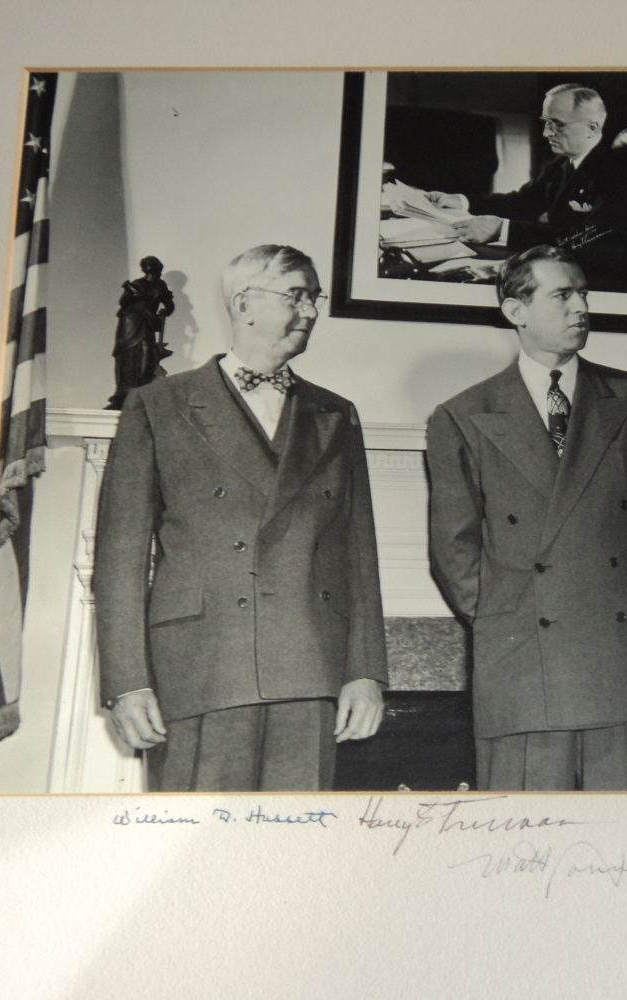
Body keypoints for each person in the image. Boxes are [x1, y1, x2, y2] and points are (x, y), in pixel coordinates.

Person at [93, 244, 387, 792]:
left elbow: (358, 554)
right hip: (202, 664)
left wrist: (364, 672)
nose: (313, 311)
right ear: (245, 303)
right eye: (297, 295)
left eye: (315, 298)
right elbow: (119, 559)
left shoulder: (335, 413)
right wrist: (127, 682)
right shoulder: (160, 405)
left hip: (309, 664)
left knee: (292, 848)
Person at [426, 245, 627, 791]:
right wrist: (509, 614)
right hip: (525, 661)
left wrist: (623, 594)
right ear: (515, 311)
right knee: (525, 840)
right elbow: (454, 546)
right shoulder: (462, 414)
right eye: (562, 295)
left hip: (624, 655)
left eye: (584, 293)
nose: (581, 307)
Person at [425, 84, 627, 292]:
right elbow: (523, 201)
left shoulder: (616, 172)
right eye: (546, 122)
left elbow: (588, 241)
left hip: (608, 280)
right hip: (568, 265)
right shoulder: (563, 164)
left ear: (592, 127)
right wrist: (462, 201)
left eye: (558, 124)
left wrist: (504, 229)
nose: (546, 133)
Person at [106, 255, 175, 410]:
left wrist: (165, 311)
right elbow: (122, 301)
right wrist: (132, 293)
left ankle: (142, 386)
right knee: (127, 352)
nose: (150, 270)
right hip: (130, 321)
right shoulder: (137, 284)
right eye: (147, 267)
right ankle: (124, 390)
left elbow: (169, 305)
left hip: (147, 322)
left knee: (146, 350)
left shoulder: (160, 286)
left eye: (152, 267)